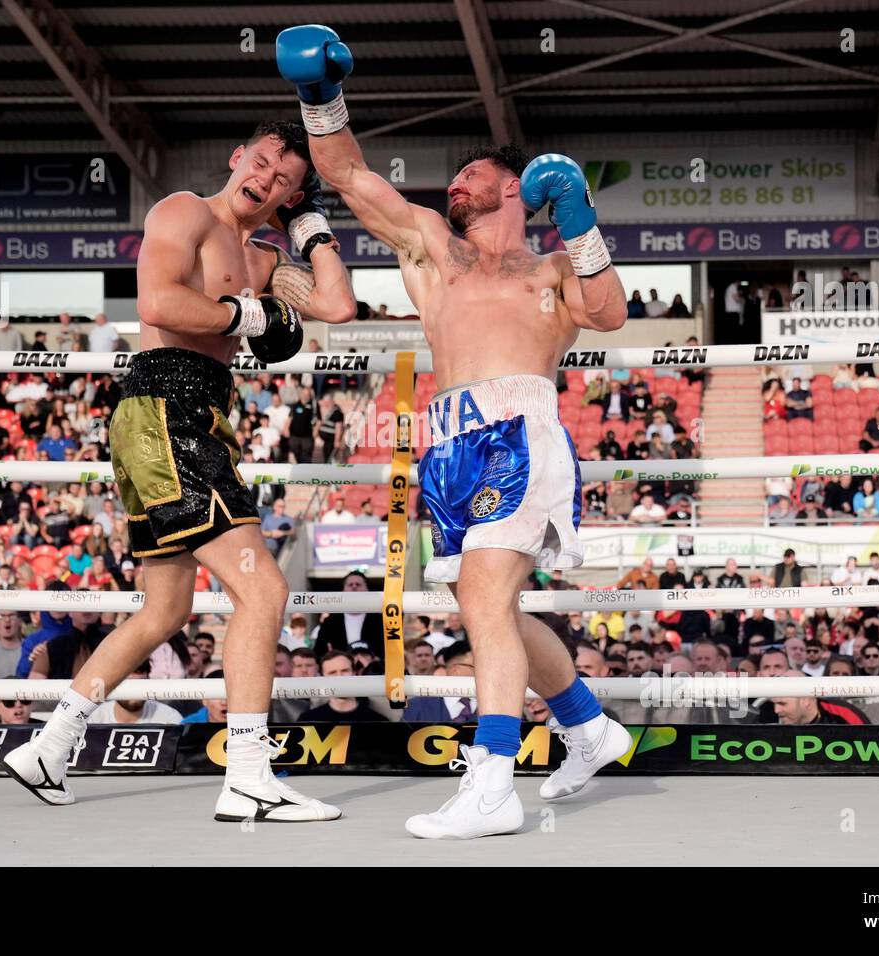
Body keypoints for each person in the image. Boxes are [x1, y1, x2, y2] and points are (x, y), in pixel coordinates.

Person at [279, 23, 632, 840]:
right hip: (448, 446)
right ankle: (587, 725)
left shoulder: (550, 271)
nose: (456, 187)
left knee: (482, 599)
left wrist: (578, 217)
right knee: (493, 606)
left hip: (519, 432)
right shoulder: (433, 251)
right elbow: (350, 174)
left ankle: (494, 781)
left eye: (473, 177)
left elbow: (609, 313)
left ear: (516, 190)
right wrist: (320, 96)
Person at [4, 118, 356, 824]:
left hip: (193, 418)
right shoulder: (184, 211)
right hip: (165, 407)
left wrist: (312, 224)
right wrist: (252, 318)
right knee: (265, 589)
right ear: (237, 158)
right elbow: (159, 303)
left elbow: (338, 305)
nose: (266, 180)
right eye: (261, 164)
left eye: (285, 180)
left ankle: (51, 741)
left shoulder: (261, 257)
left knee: (166, 609)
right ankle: (250, 773)